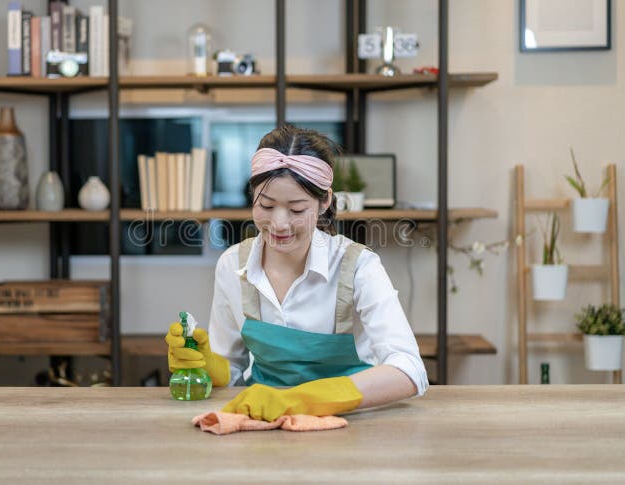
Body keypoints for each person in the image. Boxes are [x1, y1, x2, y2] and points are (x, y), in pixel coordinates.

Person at [165, 124, 428, 422]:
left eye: (297, 209)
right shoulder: (232, 265)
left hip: (349, 425)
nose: (279, 224)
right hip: (262, 422)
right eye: (266, 205)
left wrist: (299, 400)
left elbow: (410, 370)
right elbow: (233, 368)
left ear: (324, 202)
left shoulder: (358, 267)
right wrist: (208, 365)